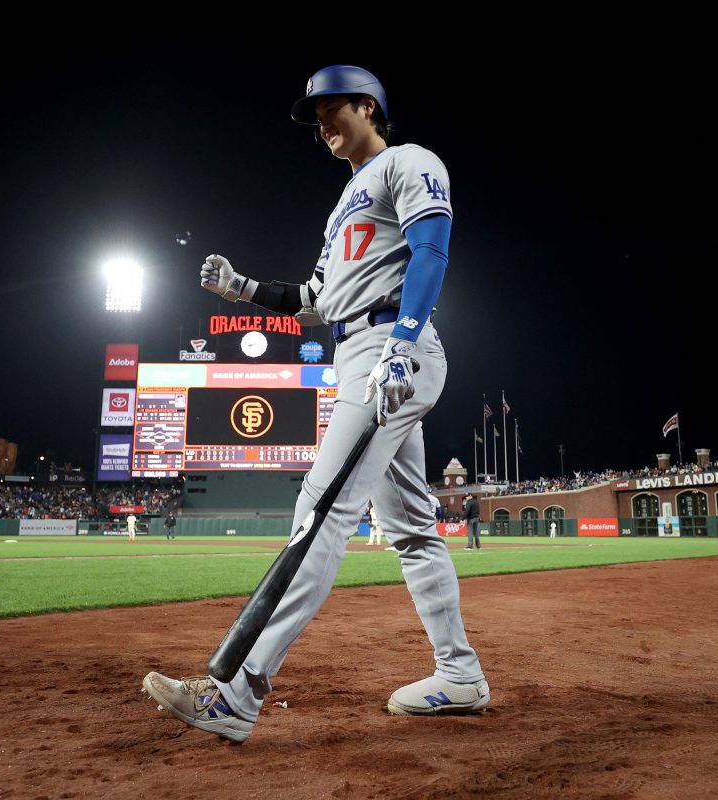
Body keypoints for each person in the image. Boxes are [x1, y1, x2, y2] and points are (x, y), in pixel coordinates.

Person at [142, 65, 488, 743]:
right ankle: (460, 674)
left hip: (391, 344)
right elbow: (314, 300)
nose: (322, 124)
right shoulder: (341, 208)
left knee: (321, 510)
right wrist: (242, 289)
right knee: (412, 528)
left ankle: (236, 693)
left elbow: (431, 251)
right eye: (315, 117)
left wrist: (403, 342)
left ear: (368, 106)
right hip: (357, 348)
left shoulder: (408, 162)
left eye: (331, 109)